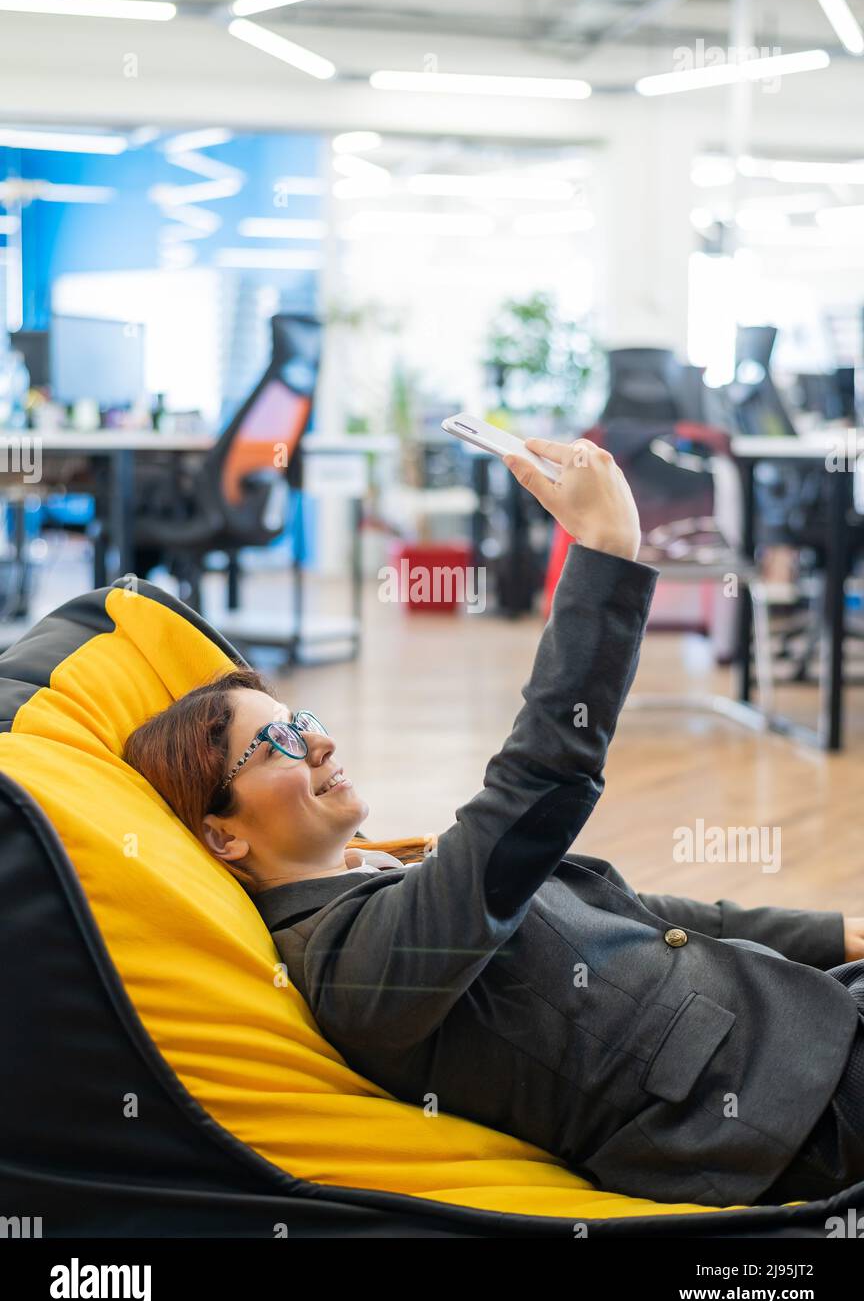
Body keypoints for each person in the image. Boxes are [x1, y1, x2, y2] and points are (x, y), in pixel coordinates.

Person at [123, 435, 864, 1209]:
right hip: (779, 1111)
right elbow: (536, 787)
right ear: (222, 835)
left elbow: (639, 917)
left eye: (299, 717)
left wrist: (829, 932)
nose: (319, 740)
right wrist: (607, 554)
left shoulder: (388, 876)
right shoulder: (352, 965)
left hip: (800, 1022)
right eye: (276, 741)